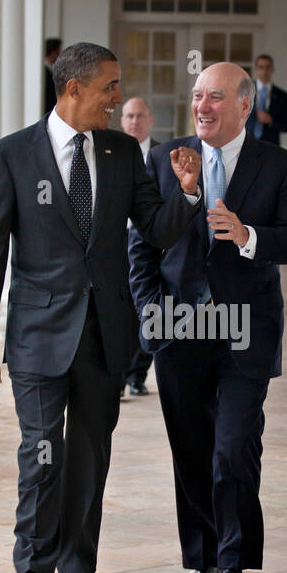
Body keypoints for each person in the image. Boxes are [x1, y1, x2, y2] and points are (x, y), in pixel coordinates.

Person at [0, 42, 203, 573]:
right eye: (109, 87)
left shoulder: (123, 152)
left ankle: (78, 570)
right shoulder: (11, 156)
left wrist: (187, 194)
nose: (117, 98)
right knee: (41, 457)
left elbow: (156, 231)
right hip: (36, 338)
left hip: (104, 338)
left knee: (88, 459)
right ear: (73, 88)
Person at [130, 62, 287, 573]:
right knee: (191, 450)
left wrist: (248, 235)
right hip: (179, 326)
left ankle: (234, 566)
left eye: (214, 97)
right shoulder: (167, 161)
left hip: (246, 327)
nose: (202, 107)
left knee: (233, 448)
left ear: (242, 105)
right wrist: (150, 311)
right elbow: (141, 246)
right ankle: (202, 561)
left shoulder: (280, 166)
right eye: (196, 96)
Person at [120, 97, 156, 397]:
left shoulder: (161, 155)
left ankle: (137, 374)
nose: (135, 122)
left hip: (150, 244)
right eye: (129, 116)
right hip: (116, 243)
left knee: (147, 307)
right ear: (122, 121)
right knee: (121, 308)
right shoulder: (110, 153)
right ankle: (119, 375)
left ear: (150, 120)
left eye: (140, 116)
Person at [244, 54, 287, 146]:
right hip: (246, 144)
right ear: (256, 70)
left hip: (271, 146)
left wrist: (271, 120)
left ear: (272, 70)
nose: (264, 71)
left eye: (267, 67)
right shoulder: (245, 91)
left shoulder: (282, 96)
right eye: (261, 67)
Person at [42, 38, 61, 114]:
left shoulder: (53, 69)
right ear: (53, 52)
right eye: (59, 51)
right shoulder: (43, 71)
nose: (60, 54)